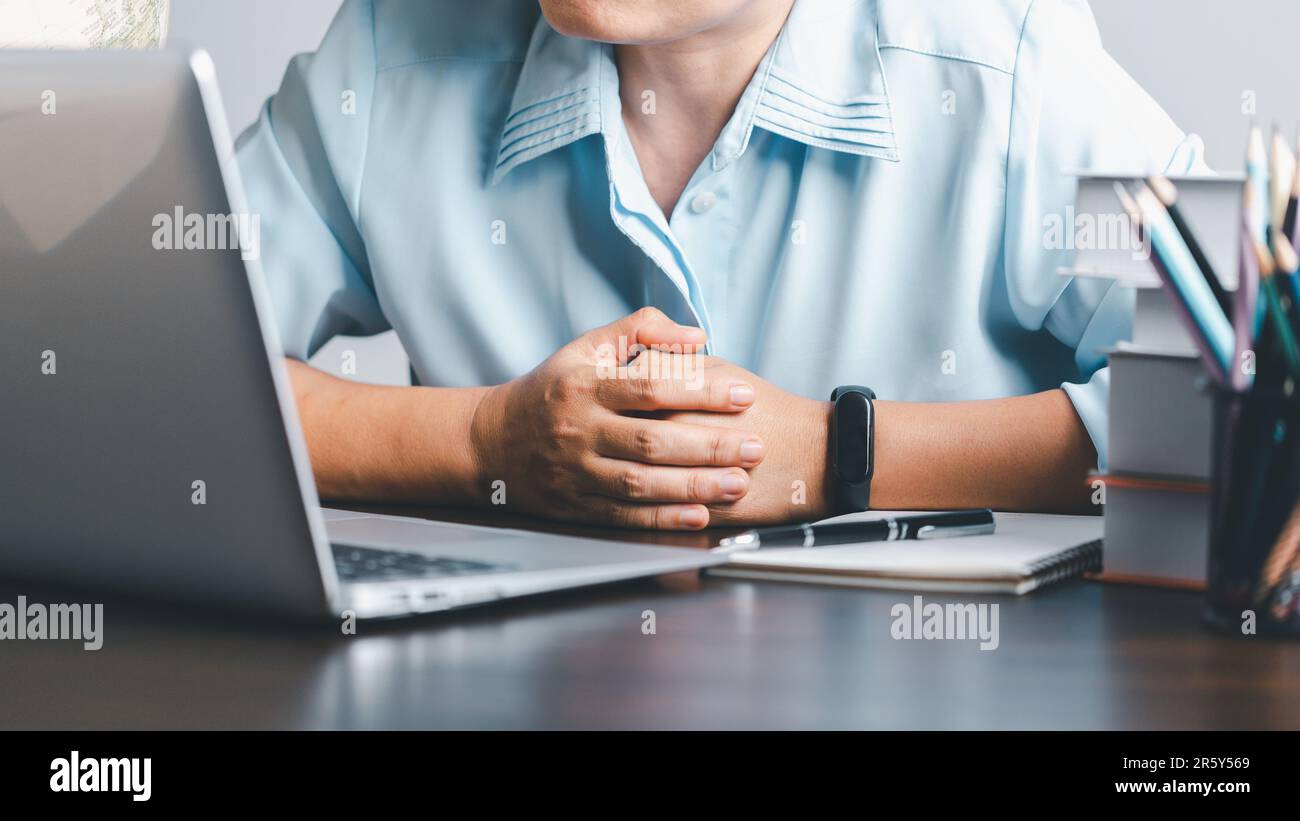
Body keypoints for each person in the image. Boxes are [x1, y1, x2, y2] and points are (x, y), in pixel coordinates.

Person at [236, 0, 1204, 529]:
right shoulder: (386, 50)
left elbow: (1238, 391)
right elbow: (136, 364)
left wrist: (836, 455)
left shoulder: (1005, 63)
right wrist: (485, 442)